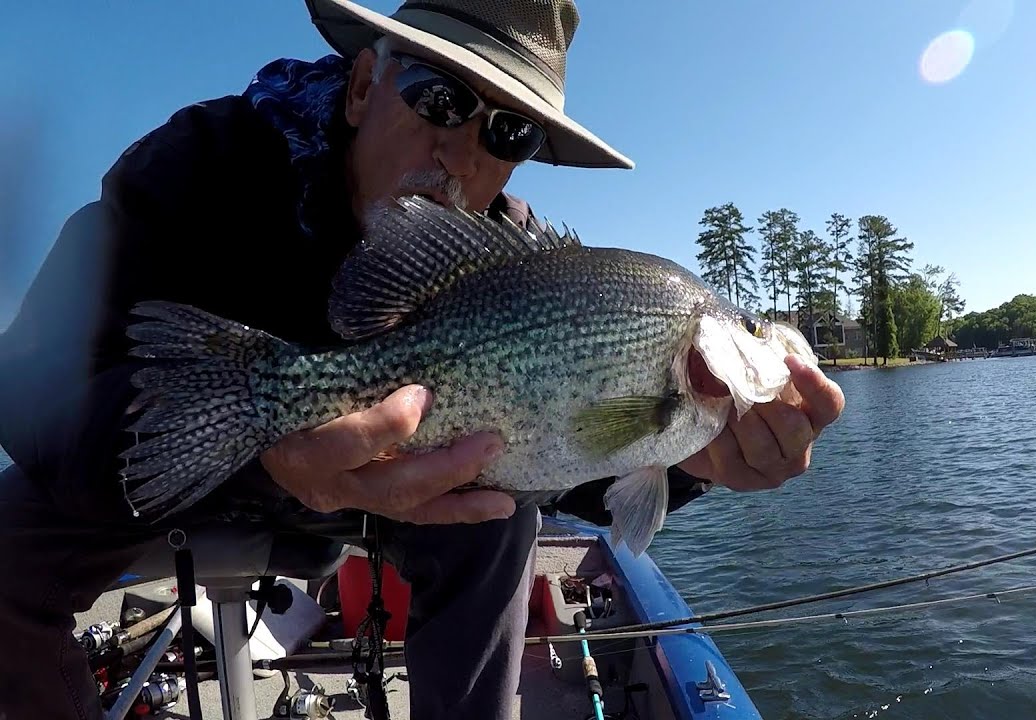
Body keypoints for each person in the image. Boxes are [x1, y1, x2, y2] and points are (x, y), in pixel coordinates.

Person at [0, 1, 846, 718]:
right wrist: (265, 453)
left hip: (397, 496)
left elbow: (563, 450)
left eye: (507, 131)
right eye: (440, 97)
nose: (463, 154)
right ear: (366, 85)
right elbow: (32, 384)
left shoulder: (511, 254)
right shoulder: (199, 165)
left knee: (498, 518)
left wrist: (690, 457)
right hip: (157, 470)